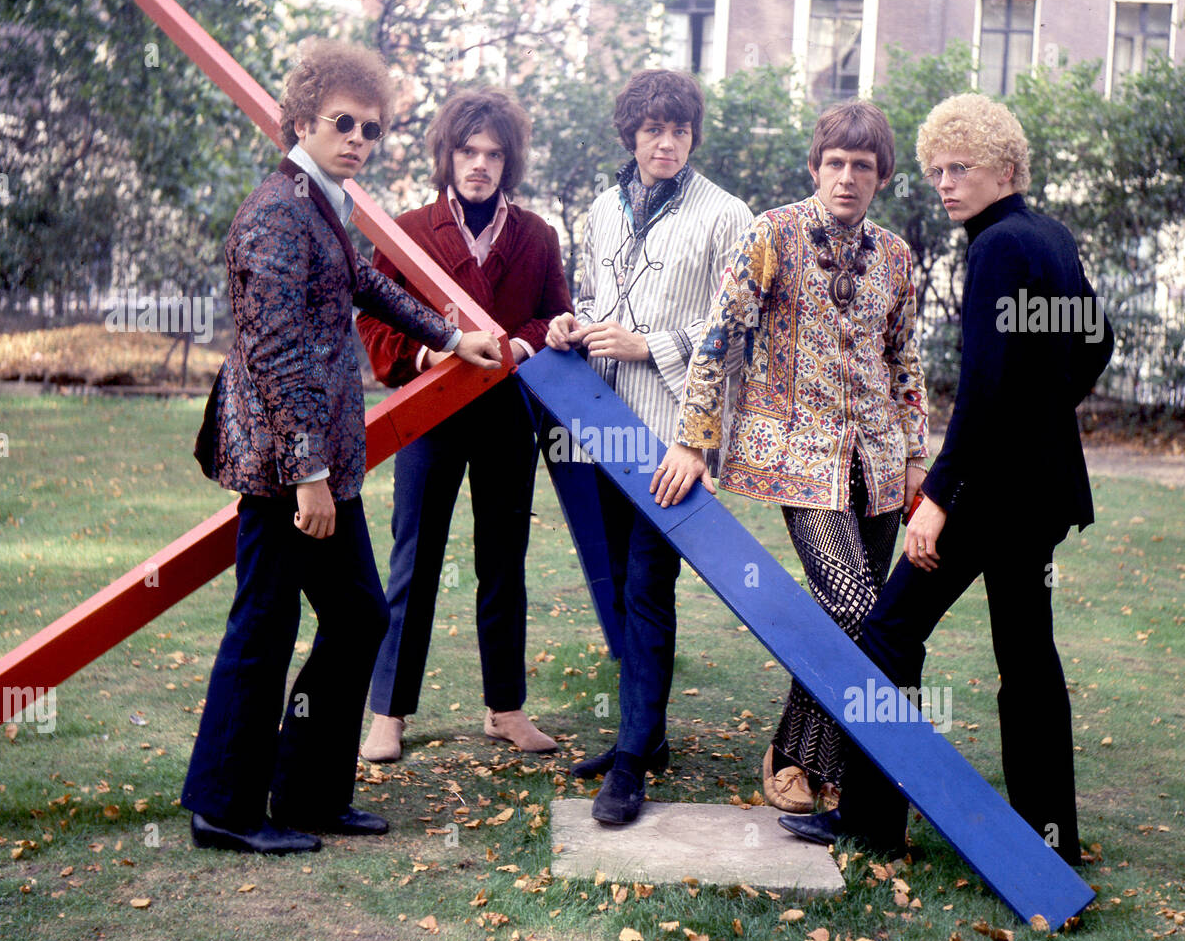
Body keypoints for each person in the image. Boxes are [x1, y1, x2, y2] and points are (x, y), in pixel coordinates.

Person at [181, 40, 502, 854]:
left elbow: (364, 281)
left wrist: (448, 335)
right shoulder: (275, 215)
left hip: (321, 461)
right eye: (343, 123)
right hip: (286, 466)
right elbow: (278, 352)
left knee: (358, 615)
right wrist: (309, 479)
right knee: (263, 625)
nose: (359, 137)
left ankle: (308, 789)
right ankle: (224, 806)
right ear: (299, 122)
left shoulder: (321, 200)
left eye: (373, 127)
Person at [778, 93, 1114, 865]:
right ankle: (1048, 835)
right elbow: (1097, 341)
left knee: (888, 632)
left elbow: (987, 390)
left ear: (1003, 167)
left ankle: (870, 823)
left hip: (990, 494)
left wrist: (936, 498)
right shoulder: (1050, 237)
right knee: (1028, 658)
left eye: (959, 168)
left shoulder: (998, 248)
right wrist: (1044, 409)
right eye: (936, 171)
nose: (945, 184)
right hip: (1042, 490)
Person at [654, 100, 929, 815]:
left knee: (847, 618)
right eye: (834, 163)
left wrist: (915, 458)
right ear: (815, 167)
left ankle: (810, 758)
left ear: (881, 177)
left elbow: (904, 361)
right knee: (854, 606)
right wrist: (694, 438)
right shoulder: (770, 234)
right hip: (797, 456)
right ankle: (796, 756)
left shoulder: (897, 257)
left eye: (861, 167)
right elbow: (720, 338)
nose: (846, 178)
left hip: (877, 461)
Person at [546, 69, 752, 824]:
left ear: (693, 135)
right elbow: (597, 299)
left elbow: (739, 334)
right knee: (614, 584)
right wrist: (570, 325)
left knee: (645, 586)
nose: (666, 143)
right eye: (652, 130)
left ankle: (632, 763)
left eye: (680, 130)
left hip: (670, 438)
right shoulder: (604, 208)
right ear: (631, 134)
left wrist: (649, 344)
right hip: (598, 423)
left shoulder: (729, 216)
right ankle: (645, 734)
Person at [357, 88, 571, 762]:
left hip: (507, 410)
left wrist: (519, 348)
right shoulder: (407, 231)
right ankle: (388, 712)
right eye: (467, 151)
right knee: (413, 557)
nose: (480, 165)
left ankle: (504, 708)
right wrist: (427, 354)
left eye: (494, 154)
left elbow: (553, 315)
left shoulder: (537, 236)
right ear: (446, 155)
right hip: (429, 410)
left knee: (503, 559)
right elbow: (372, 320)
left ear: (510, 162)